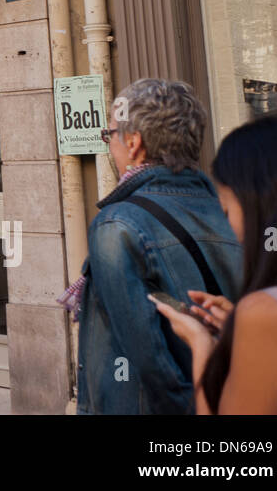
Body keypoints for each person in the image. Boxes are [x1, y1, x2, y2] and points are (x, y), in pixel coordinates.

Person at [73, 78, 242, 414]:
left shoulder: (117, 224)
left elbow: (149, 360)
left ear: (133, 143)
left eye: (110, 136)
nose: (110, 146)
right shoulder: (232, 212)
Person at [153, 117, 277, 414]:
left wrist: (201, 344)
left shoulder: (270, 315)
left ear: (260, 208)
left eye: (228, 209)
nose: (229, 227)